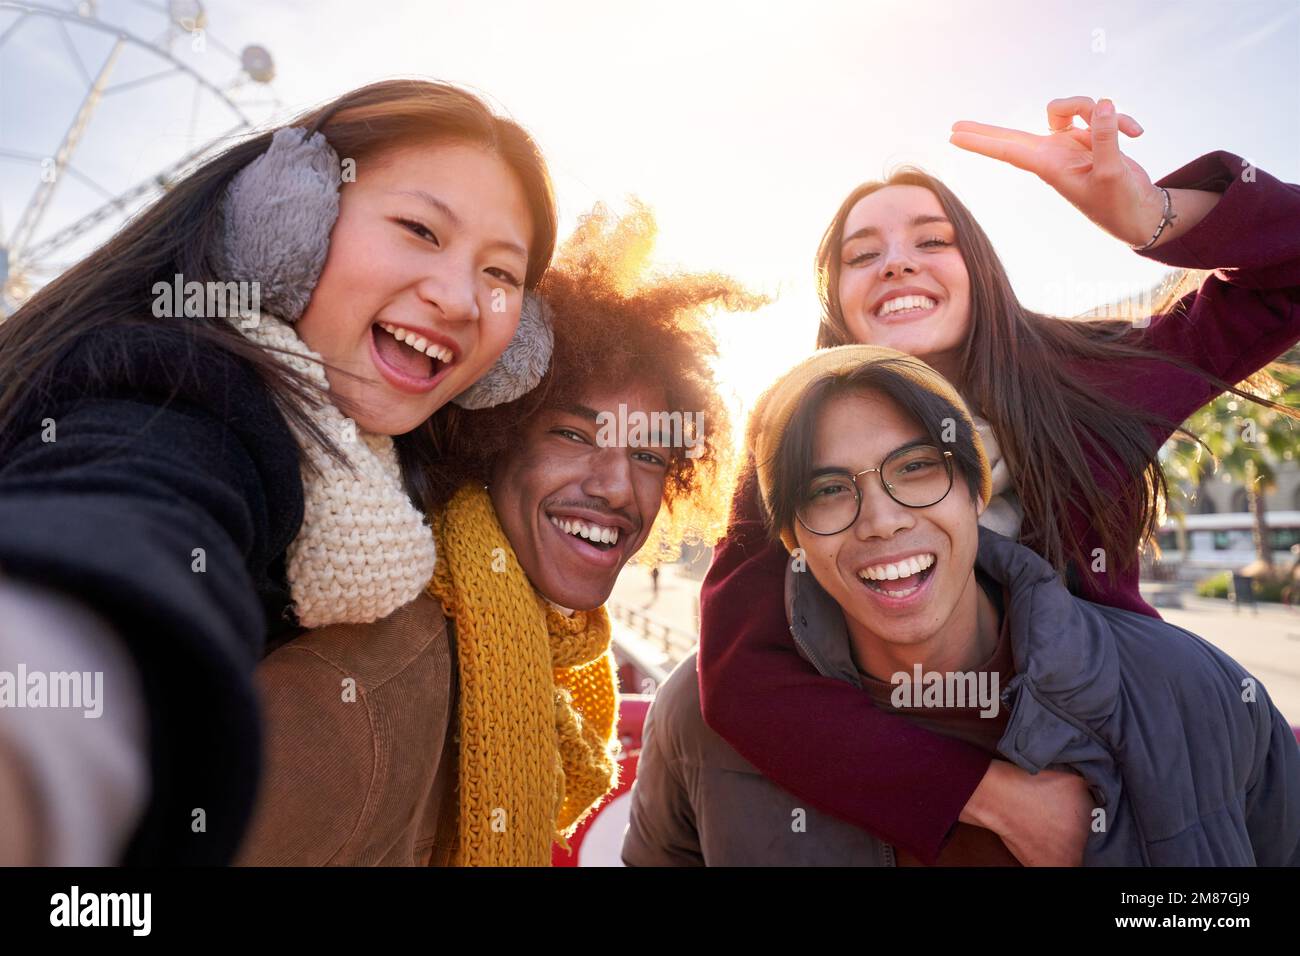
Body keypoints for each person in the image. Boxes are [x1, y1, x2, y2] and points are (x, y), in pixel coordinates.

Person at [696, 95, 1300, 866]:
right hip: (915, 792)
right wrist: (983, 793)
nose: (897, 262)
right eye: (862, 253)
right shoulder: (793, 438)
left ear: (977, 268)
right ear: (836, 303)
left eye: (931, 239)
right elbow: (739, 674)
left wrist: (1148, 213)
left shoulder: (1087, 384)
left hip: (1121, 774)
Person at [0, 79, 558, 864]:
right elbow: (137, 515)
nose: (461, 298)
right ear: (284, 218)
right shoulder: (183, 385)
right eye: (420, 230)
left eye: (501, 275)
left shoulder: (392, 472)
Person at [625, 346, 1300, 866]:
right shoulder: (699, 718)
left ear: (977, 491)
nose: (882, 521)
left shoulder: (1189, 689)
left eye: (917, 467)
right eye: (829, 489)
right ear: (791, 535)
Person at [234, 205, 754, 865]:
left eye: (649, 455)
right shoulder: (380, 672)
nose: (618, 487)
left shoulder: (550, 659)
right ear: (494, 439)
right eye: (573, 434)